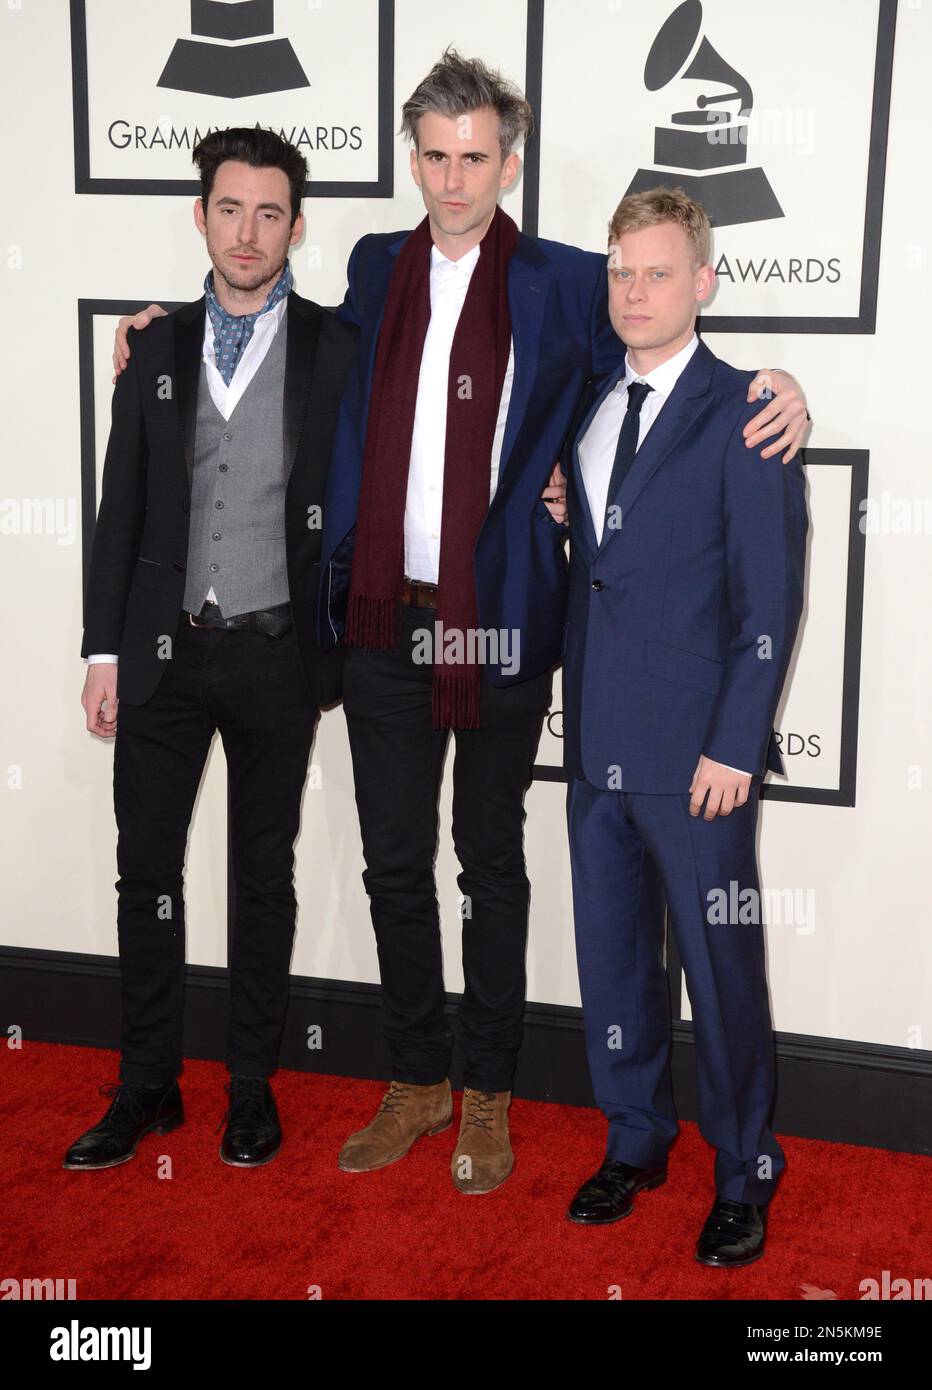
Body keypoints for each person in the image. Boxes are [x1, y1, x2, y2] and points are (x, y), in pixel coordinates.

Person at [114, 50, 810, 1197]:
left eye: (474, 157)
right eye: (433, 156)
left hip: (500, 631)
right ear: (412, 158)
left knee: (487, 863)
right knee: (394, 862)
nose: (452, 179)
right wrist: (162, 332)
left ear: (508, 160)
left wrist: (777, 388)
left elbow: (656, 370)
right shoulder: (377, 267)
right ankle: (418, 1077)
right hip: (386, 626)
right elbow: (283, 346)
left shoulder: (567, 281)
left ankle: (487, 1091)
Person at [69, 128, 357, 1172]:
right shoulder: (152, 347)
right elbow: (120, 511)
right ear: (201, 215)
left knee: (260, 874)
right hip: (162, 652)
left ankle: (249, 1086)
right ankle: (146, 1085)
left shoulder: (338, 349)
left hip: (279, 657)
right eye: (228, 208)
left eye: (269, 212)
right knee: (144, 870)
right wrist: (99, 650)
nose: (247, 230)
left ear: (294, 225)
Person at [561, 186, 808, 1266]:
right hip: (596, 742)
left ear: (702, 282)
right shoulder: (589, 402)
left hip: (695, 756)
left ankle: (745, 1166)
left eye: (656, 272)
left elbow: (770, 603)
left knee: (721, 967)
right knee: (612, 963)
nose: (633, 290)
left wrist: (731, 743)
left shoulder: (747, 409)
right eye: (620, 270)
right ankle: (634, 1139)